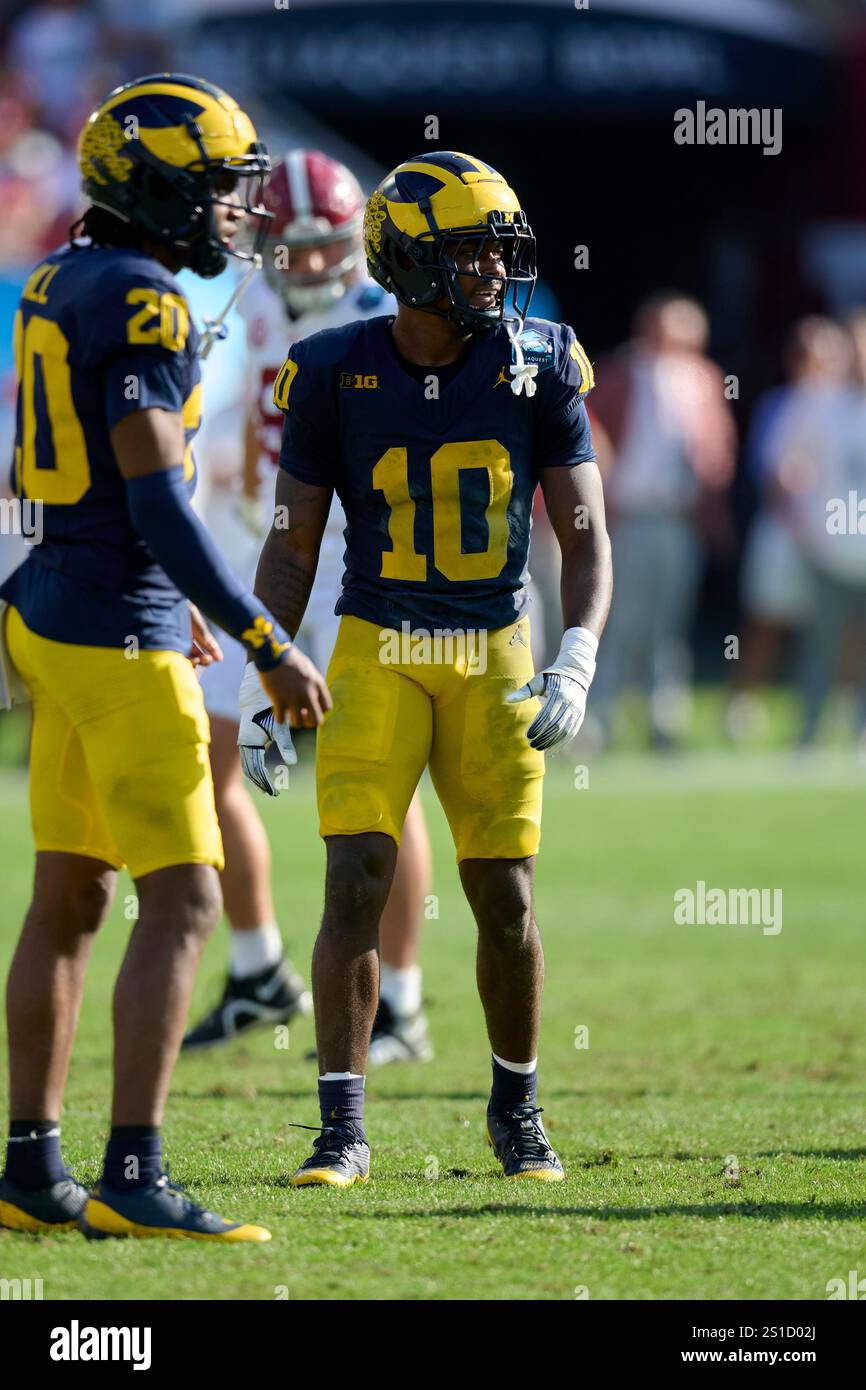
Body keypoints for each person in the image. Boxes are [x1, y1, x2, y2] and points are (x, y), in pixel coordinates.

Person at [0, 74, 329, 1240]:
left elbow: (46, 481)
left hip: (52, 612)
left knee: (68, 894)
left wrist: (83, 576)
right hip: (112, 629)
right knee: (186, 900)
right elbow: (158, 502)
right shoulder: (142, 299)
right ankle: (132, 1174)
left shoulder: (55, 279)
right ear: (154, 188)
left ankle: (28, 1168)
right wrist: (264, 638)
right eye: (212, 188)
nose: (231, 210)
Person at [241, 150, 612, 1186]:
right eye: (471, 254)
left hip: (493, 648)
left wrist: (575, 654)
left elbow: (583, 536)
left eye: (500, 252)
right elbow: (290, 543)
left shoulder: (538, 359)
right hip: (377, 645)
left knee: (504, 895)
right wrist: (259, 676)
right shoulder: (330, 370)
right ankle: (341, 1128)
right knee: (352, 878)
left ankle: (516, 1106)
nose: (494, 273)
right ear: (406, 262)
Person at [186, 149, 434, 1064]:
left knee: (376, 784)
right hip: (251, 555)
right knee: (206, 764)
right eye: (291, 246)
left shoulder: (385, 314)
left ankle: (400, 1003)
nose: (310, 264)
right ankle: (258, 971)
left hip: (347, 564)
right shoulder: (234, 301)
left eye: (327, 245)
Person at [590, 292, 736, 746]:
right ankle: (599, 722)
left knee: (668, 627)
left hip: (677, 520)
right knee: (621, 621)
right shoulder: (617, 373)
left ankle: (664, 722)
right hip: (630, 517)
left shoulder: (703, 379)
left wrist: (711, 506)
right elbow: (588, 429)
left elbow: (719, 447)